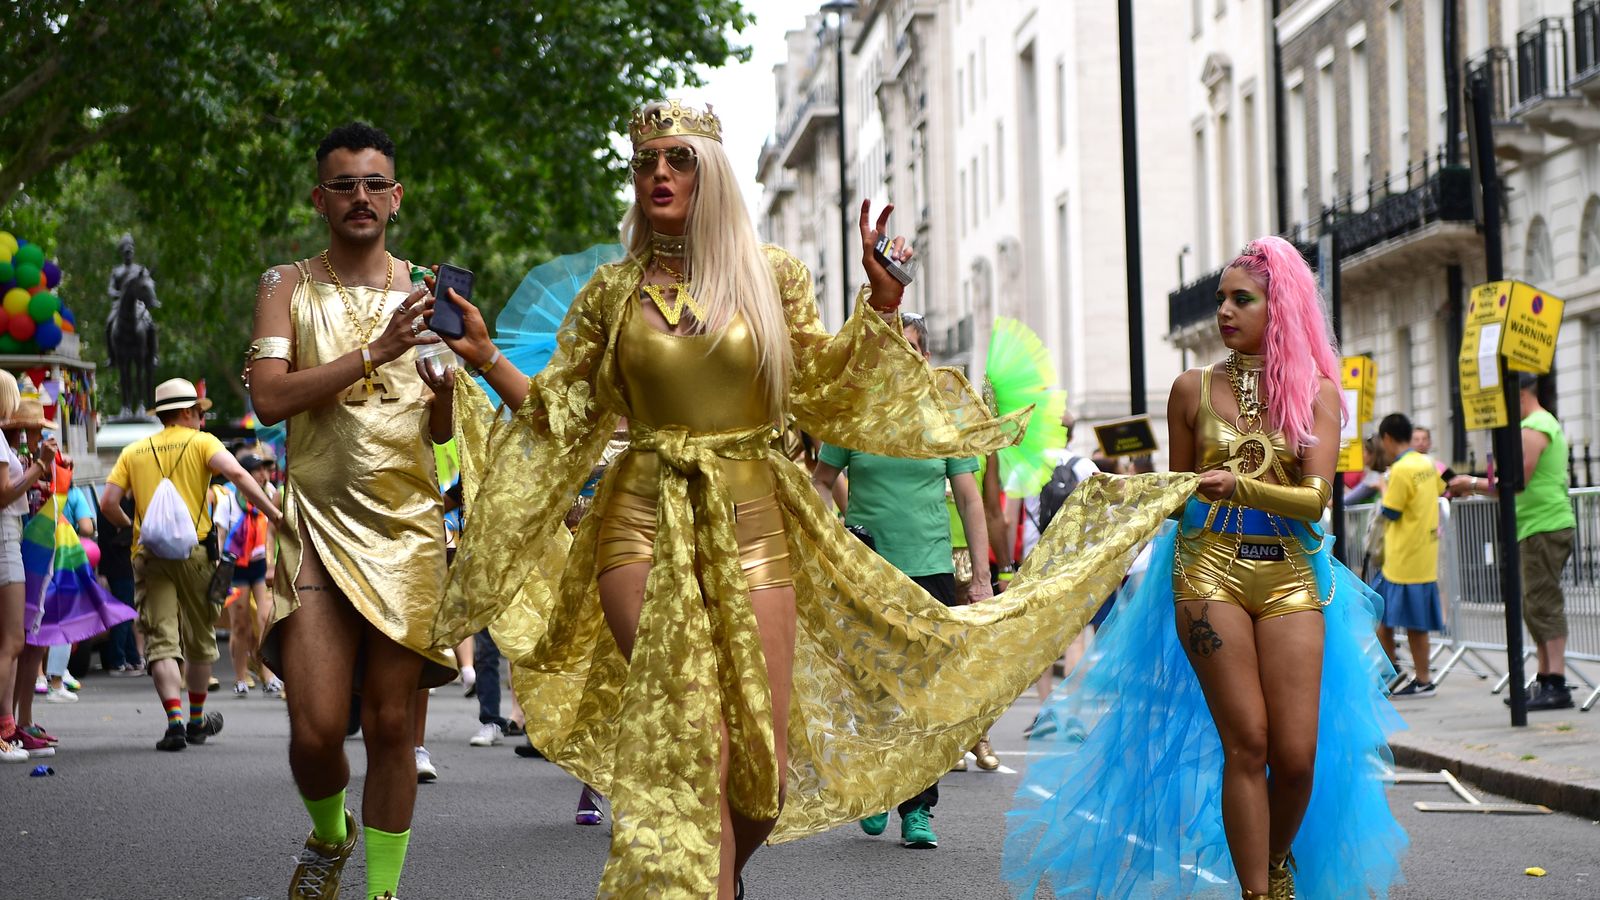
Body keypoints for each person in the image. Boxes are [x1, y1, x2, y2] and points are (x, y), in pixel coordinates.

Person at [426, 99, 1187, 900]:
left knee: (762, 777)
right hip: (639, 521)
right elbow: (563, 414)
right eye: (646, 161)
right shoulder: (610, 294)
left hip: (755, 517)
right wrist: (485, 358)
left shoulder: (771, 277)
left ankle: (720, 879)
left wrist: (881, 305)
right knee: (692, 739)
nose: (659, 173)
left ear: (712, 174)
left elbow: (827, 386)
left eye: (679, 159)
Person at [1004, 237, 1406, 899]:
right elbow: (1181, 495)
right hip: (1207, 571)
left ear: (1279, 309)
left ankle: (1274, 860)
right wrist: (1121, 501)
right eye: (1220, 299)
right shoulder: (1191, 389)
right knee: (1248, 740)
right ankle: (1256, 892)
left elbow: (1315, 501)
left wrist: (1237, 484)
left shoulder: (1317, 395)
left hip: (1290, 574)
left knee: (1296, 757)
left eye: (1240, 299)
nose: (1224, 311)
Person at [246, 121, 452, 900]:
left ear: (396, 197)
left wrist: (445, 397)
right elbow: (269, 399)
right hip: (317, 530)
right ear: (319, 199)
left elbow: (444, 432)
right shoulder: (286, 285)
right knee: (316, 730)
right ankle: (331, 834)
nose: (359, 197)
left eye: (373, 184)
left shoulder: (434, 290)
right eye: (343, 185)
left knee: (394, 725)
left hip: (407, 530)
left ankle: (381, 893)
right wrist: (376, 351)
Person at [809, 312, 996, 849]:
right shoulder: (855, 413)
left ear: (924, 357)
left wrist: (981, 578)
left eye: (908, 348)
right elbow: (821, 482)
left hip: (930, 568)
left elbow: (969, 500)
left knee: (922, 691)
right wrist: (834, 536)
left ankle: (917, 808)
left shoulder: (943, 414)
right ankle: (875, 790)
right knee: (871, 685)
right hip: (868, 569)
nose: (899, 358)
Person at [100, 378, 280, 752]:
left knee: (161, 640)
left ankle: (175, 722)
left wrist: (131, 525)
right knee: (200, 638)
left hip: (149, 555)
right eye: (199, 411)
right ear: (186, 412)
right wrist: (275, 514)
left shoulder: (134, 451)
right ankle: (197, 720)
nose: (202, 418)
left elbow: (108, 504)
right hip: (195, 552)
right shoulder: (203, 443)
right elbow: (238, 475)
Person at [1451, 373, 1577, 710]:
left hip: (1544, 524)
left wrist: (1471, 483)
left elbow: (1517, 481)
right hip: (1535, 525)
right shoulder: (1535, 424)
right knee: (1534, 604)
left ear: (1520, 395)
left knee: (1543, 602)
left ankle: (1556, 683)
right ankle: (1545, 678)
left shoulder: (1535, 426)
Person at [1372, 412, 1448, 699]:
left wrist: (1383, 486)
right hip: (1421, 553)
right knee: (1387, 617)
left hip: (1402, 557)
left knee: (1407, 623)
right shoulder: (1426, 463)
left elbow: (1391, 511)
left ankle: (1423, 679)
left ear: (1387, 438)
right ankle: (1396, 671)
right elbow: (1443, 486)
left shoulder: (1401, 469)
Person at [214, 453, 280, 698]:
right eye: (257, 470)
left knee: (265, 619)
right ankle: (240, 678)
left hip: (260, 566)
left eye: (265, 470)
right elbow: (221, 536)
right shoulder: (229, 501)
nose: (263, 475)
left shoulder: (269, 495)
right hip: (236, 568)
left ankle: (268, 675)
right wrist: (219, 564)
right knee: (240, 625)